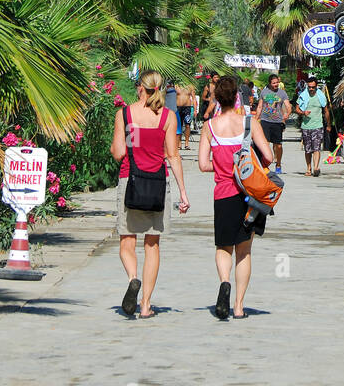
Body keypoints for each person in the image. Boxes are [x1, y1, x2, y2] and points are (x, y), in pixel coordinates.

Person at [110, 70, 190, 318]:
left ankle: (133, 279)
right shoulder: (168, 117)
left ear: (140, 88)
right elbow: (173, 155)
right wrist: (183, 193)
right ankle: (145, 305)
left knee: (127, 240)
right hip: (157, 184)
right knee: (152, 245)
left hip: (129, 181)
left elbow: (118, 153)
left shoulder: (125, 114)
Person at [197, 74, 273, 320]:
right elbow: (269, 157)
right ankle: (239, 306)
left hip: (223, 194)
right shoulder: (250, 123)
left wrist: (223, 168)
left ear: (217, 99)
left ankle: (224, 282)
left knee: (223, 247)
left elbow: (202, 164)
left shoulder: (210, 127)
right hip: (249, 196)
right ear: (238, 97)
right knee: (244, 251)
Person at [256, 73, 291, 175]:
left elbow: (288, 105)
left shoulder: (282, 93)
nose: (276, 84)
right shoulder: (264, 92)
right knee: (265, 144)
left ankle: (278, 164)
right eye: (274, 83)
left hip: (277, 122)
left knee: (278, 145)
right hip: (265, 120)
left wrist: (287, 114)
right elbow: (259, 107)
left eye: (277, 82)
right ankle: (264, 164)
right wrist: (255, 119)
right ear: (270, 83)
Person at [295, 75, 330, 177]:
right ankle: (308, 168)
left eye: (313, 87)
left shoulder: (321, 96)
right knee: (307, 149)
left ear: (316, 86)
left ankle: (316, 167)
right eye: (309, 87)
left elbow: (326, 111)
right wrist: (303, 112)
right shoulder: (303, 96)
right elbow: (296, 109)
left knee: (317, 148)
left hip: (318, 125)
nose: (311, 89)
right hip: (306, 126)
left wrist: (328, 125)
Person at [176, 81, 196, 149]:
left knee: (187, 125)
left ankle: (186, 143)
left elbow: (194, 98)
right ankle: (179, 143)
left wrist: (195, 110)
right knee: (179, 126)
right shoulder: (176, 85)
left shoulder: (190, 86)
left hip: (187, 108)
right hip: (178, 107)